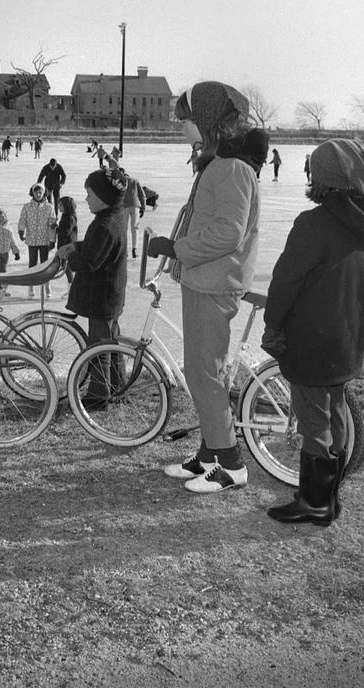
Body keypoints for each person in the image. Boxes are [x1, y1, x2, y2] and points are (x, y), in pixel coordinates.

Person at [147, 81, 266, 494]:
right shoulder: (218, 163)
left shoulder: (231, 168)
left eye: (187, 118)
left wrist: (176, 247)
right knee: (199, 372)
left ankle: (231, 464)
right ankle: (209, 454)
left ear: (209, 121)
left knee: (206, 374)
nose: (181, 125)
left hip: (216, 282)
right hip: (204, 278)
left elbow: (227, 234)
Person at [262, 138, 364, 526]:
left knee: (313, 420)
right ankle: (326, 499)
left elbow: (285, 282)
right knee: (332, 413)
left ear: (321, 178)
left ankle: (315, 504)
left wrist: (273, 325)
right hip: (346, 337)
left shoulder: (312, 224)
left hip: (312, 339)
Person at [57, 168, 128, 408]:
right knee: (111, 343)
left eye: (90, 194)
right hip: (111, 295)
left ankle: (98, 396)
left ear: (104, 197)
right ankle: (118, 388)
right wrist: (75, 246)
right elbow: (94, 247)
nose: (86, 199)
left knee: (98, 348)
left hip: (102, 296)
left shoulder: (105, 225)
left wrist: (72, 258)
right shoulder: (114, 217)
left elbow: (90, 262)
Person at [18, 183, 57, 298]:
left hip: (44, 240)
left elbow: (52, 224)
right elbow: (22, 220)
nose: (38, 194)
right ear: (33, 192)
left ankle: (46, 285)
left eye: (40, 192)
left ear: (44, 192)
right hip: (32, 240)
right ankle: (31, 285)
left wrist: (52, 240)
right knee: (33, 263)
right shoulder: (27, 206)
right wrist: (21, 231)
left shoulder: (49, 207)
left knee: (45, 264)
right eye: (36, 192)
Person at [119, 167, 146, 258]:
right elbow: (142, 195)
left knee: (124, 229)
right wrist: (143, 207)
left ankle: (125, 251)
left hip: (124, 206)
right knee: (135, 228)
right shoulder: (135, 180)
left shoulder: (120, 182)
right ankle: (135, 249)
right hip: (135, 205)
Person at [56, 195, 78, 291]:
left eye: (60, 205)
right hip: (64, 245)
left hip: (68, 246)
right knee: (65, 267)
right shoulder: (65, 216)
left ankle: (72, 288)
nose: (59, 207)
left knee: (67, 268)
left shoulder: (70, 217)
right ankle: (71, 288)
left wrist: (56, 228)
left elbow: (66, 232)